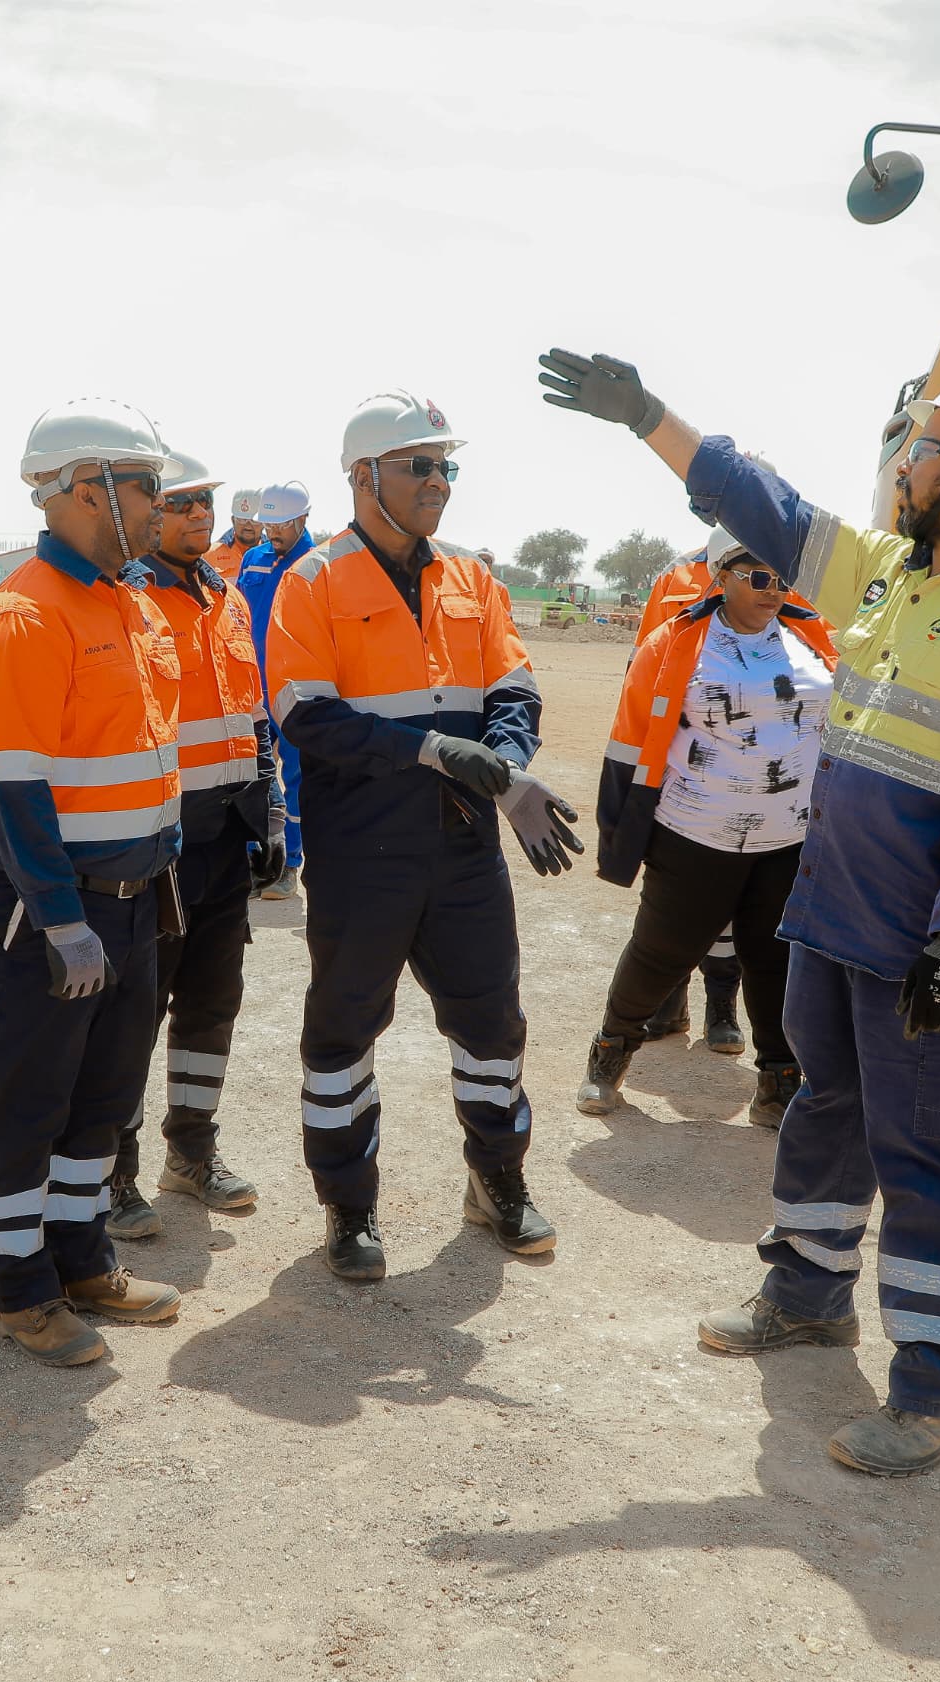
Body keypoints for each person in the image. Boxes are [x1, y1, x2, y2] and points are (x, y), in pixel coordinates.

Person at [539, 348, 940, 1476]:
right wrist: (652, 417)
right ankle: (808, 1292)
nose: (908, 459)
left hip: (920, 941)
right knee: (824, 1110)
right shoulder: (894, 570)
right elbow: (771, 508)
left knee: (939, 1155)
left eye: (931, 444)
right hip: (835, 915)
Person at [267, 392, 584, 1281]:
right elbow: (305, 716)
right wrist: (432, 750)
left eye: (447, 465)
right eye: (420, 465)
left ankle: (498, 1183)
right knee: (344, 1034)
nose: (439, 481)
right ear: (364, 477)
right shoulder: (314, 581)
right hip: (363, 850)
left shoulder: (472, 578)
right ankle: (349, 1208)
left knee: (493, 1025)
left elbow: (514, 686)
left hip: (462, 849)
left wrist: (506, 768)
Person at [0, 399, 189, 1365]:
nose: (160, 504)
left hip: (131, 903)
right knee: (22, 1097)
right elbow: (14, 788)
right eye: (147, 487)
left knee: (101, 1096)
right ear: (86, 490)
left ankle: (80, 1259)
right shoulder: (23, 615)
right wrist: (58, 918)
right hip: (46, 910)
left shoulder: (127, 600)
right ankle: (17, 1288)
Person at [579, 519, 839, 1129]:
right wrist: (619, 836)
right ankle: (611, 1048)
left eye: (781, 576)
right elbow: (628, 741)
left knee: (775, 959)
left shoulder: (814, 636)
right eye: (756, 575)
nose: (773, 588)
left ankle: (777, 1079)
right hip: (696, 832)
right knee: (661, 951)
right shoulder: (672, 643)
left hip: (789, 836)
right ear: (720, 577)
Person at [104, 450, 279, 1240]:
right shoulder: (128, 599)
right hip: (158, 844)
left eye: (204, 502)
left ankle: (192, 1152)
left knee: (212, 1005)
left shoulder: (227, 596)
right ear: (147, 512)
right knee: (135, 1011)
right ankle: (114, 1168)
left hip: (224, 841)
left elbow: (254, 716)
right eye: (179, 505)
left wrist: (273, 815)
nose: (197, 516)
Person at [237, 481, 315, 900]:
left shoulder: (319, 564)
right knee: (250, 778)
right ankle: (255, 861)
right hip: (254, 690)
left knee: (297, 779)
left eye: (281, 524)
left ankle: (290, 864)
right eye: (268, 524)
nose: (272, 532)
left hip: (299, 691)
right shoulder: (254, 559)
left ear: (304, 518)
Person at [207, 488, 262, 579]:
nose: (248, 526)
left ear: (264, 522)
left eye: (254, 520)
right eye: (242, 519)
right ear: (233, 520)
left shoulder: (276, 555)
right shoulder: (209, 554)